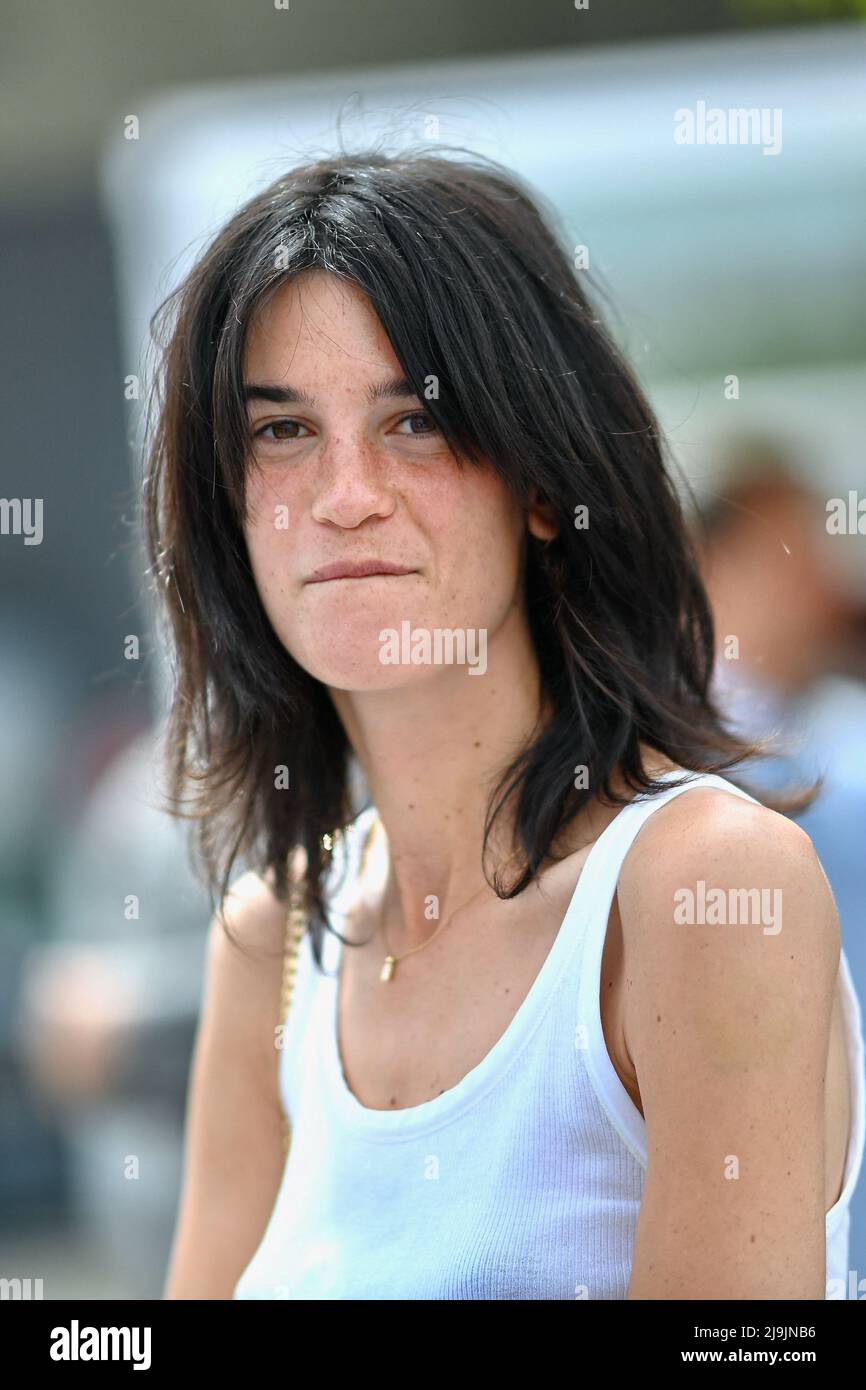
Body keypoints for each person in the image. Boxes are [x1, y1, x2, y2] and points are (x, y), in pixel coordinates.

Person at [146, 149, 864, 1300]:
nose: (344, 494)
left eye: (414, 423)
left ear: (540, 482)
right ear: (227, 506)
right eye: (281, 432)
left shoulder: (703, 890)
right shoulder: (271, 941)